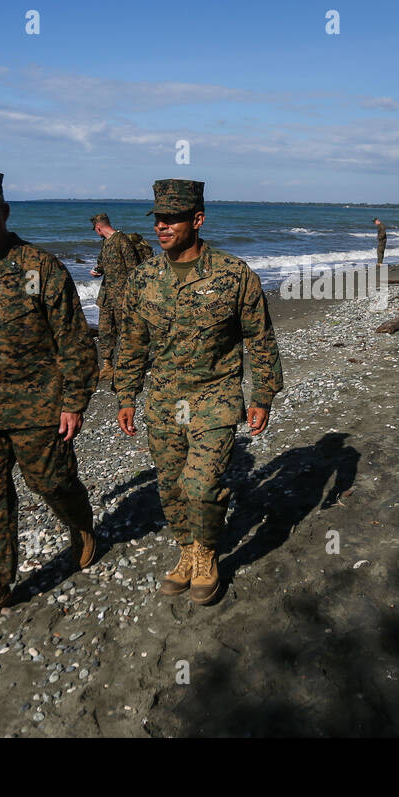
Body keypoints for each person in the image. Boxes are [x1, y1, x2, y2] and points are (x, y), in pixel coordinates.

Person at [113, 179, 283, 606]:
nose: (162, 227)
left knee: (202, 485)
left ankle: (206, 554)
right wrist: (127, 395)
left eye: (172, 219)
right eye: (158, 219)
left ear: (198, 220)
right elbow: (132, 340)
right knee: (170, 486)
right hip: (164, 399)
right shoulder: (144, 277)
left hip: (216, 395)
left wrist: (262, 396)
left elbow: (259, 338)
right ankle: (187, 549)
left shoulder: (233, 275)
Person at [0, 171, 99, 630]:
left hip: (38, 404)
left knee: (51, 483)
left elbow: (74, 339)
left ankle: (82, 522)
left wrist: (74, 401)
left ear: (4, 213)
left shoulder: (40, 268)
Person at [89, 212, 140, 385]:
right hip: (106, 296)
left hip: (122, 296)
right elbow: (103, 264)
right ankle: (107, 366)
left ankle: (126, 366)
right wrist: (98, 270)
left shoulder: (122, 240)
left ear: (98, 227)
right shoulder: (105, 242)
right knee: (105, 331)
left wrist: (132, 296)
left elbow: (133, 269)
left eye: (94, 230)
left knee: (124, 331)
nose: (96, 233)